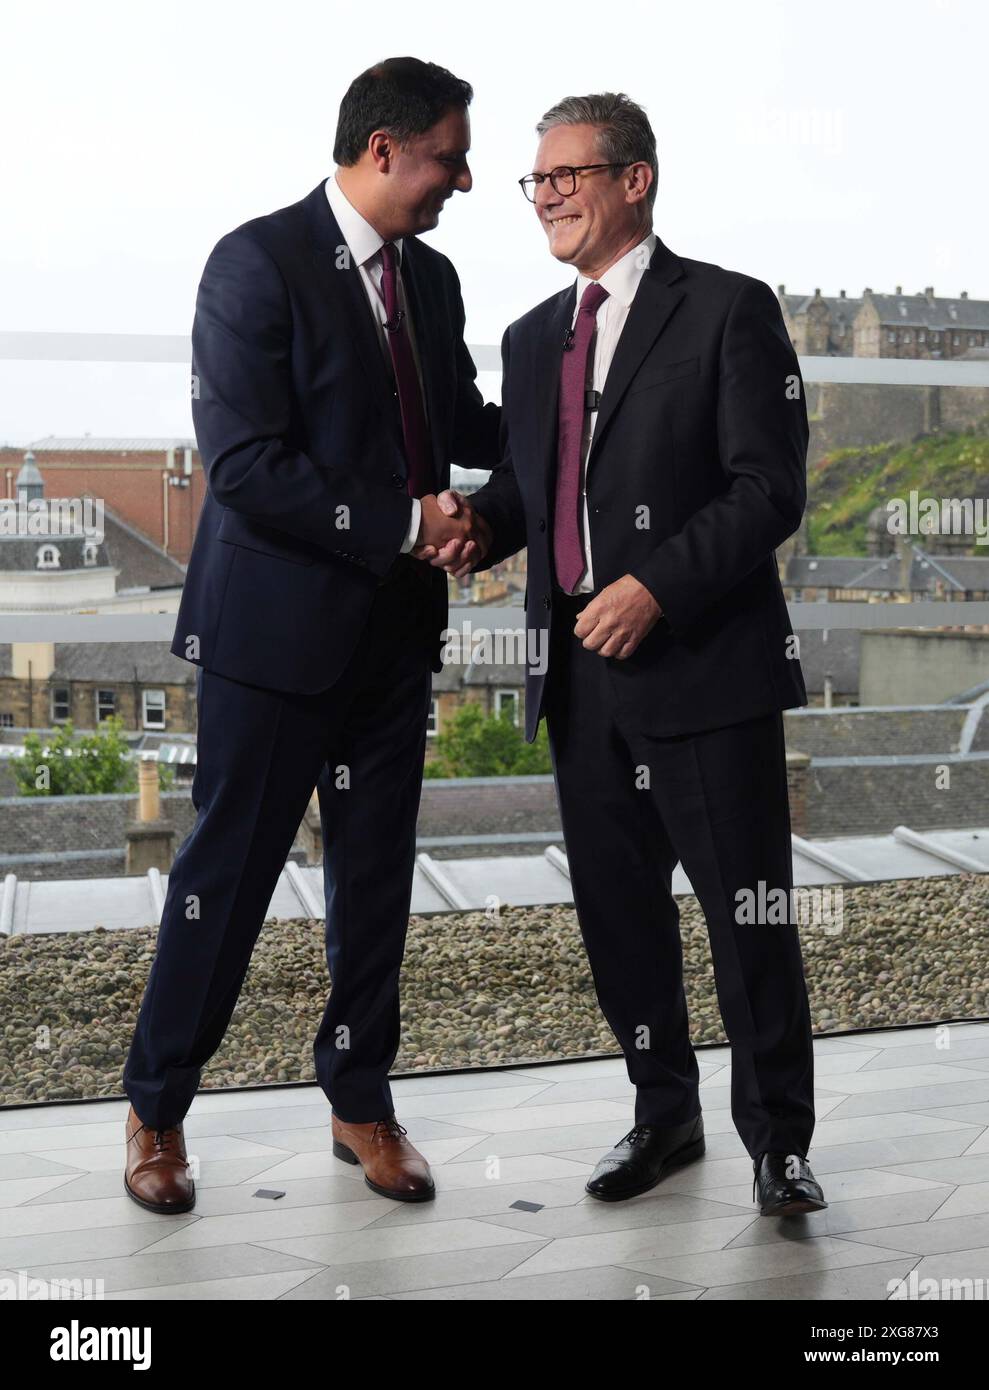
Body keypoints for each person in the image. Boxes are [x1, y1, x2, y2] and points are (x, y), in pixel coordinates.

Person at [430, 91, 827, 1217]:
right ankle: (663, 1116)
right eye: (535, 180)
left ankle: (777, 1144)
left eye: (565, 175)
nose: (544, 194)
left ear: (632, 180)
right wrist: (475, 529)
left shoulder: (727, 311)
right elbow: (532, 490)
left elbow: (768, 488)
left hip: (704, 668)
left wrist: (655, 586)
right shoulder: (529, 338)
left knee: (745, 913)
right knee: (619, 921)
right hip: (579, 681)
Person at [122, 56, 493, 1213]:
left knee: (376, 880)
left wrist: (573, 409)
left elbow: (462, 420)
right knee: (223, 878)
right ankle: (155, 1110)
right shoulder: (253, 262)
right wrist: (401, 519)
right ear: (381, 150)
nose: (465, 180)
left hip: (392, 639)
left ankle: (360, 1103)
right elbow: (241, 465)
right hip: (270, 639)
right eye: (447, 155)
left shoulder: (429, 282)